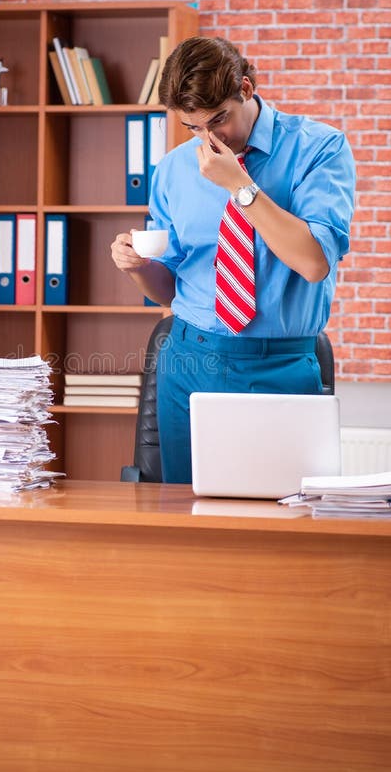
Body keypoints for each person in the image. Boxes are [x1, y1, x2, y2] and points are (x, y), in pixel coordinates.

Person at [111, 36, 356, 483]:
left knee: (282, 524)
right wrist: (139, 268)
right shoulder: (172, 170)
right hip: (188, 360)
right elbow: (170, 288)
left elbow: (315, 262)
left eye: (219, 119)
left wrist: (239, 186)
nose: (210, 139)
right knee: (185, 520)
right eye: (193, 127)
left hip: (279, 364)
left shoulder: (319, 149)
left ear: (245, 88)